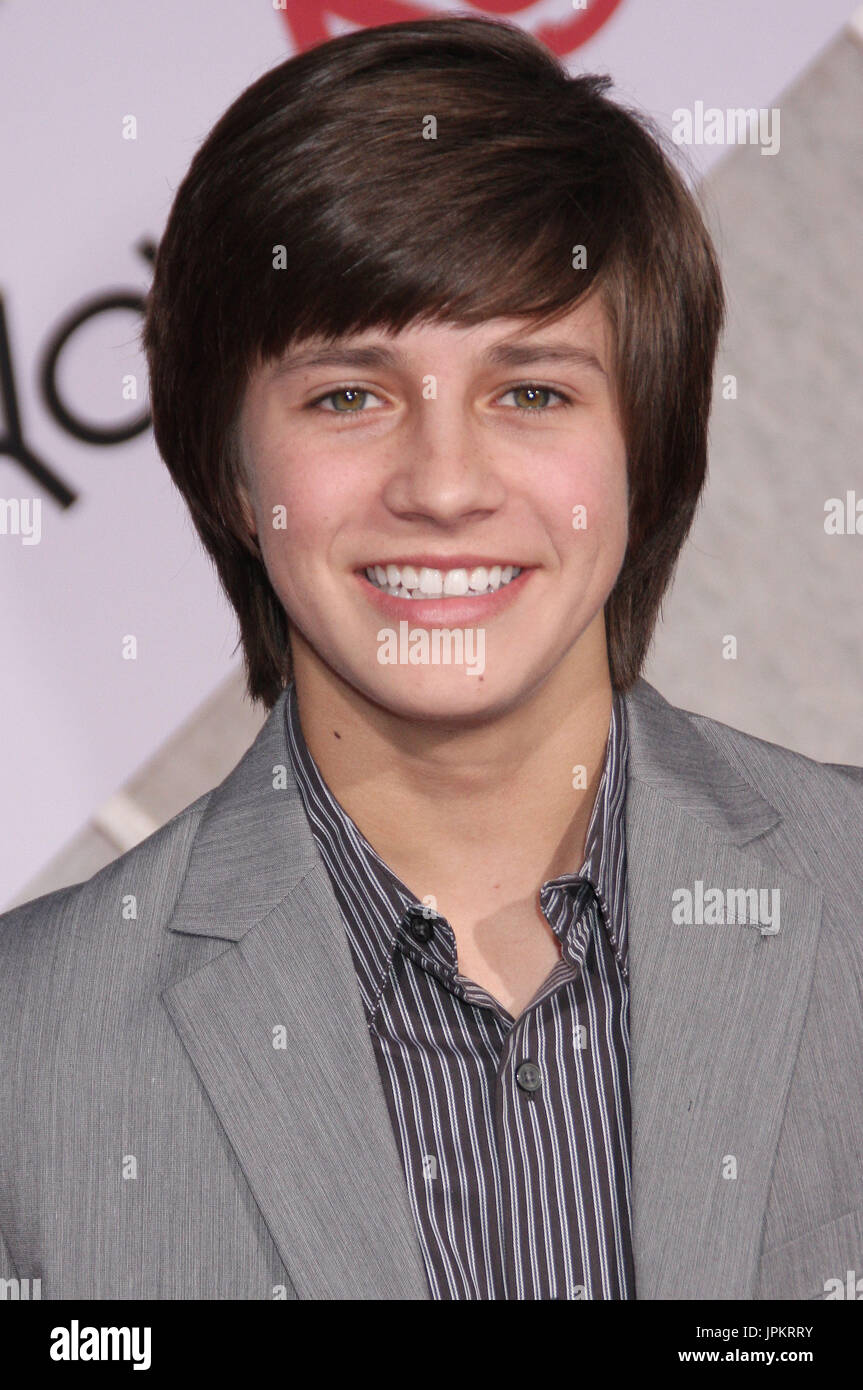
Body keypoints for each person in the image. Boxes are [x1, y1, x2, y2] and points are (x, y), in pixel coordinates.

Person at [1, 14, 861, 1303]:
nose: (445, 486)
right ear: (229, 471)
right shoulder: (26, 1062)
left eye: (533, 391)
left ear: (648, 450)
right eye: (348, 395)